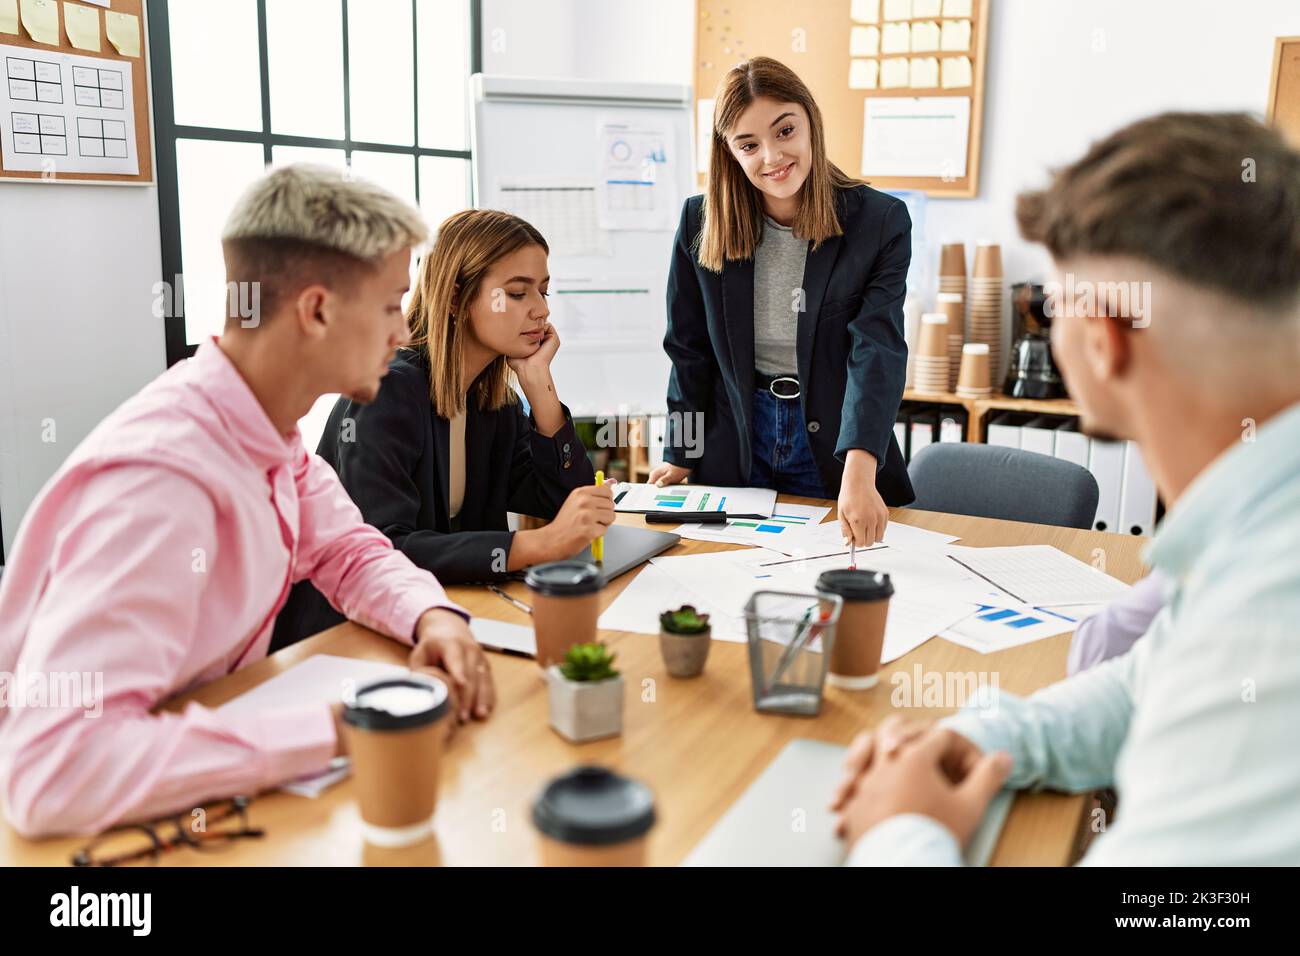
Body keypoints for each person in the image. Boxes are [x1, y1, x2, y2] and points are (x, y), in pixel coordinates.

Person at [831, 112, 1300, 865]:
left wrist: (896, 831)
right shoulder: (1256, 523)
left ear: (1104, 338)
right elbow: (1141, 688)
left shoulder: (1270, 623)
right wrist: (971, 737)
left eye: (1051, 308)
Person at [0, 165, 495, 838]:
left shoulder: (269, 428)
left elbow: (348, 551)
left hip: (180, 777)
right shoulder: (163, 476)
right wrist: (340, 730)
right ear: (316, 310)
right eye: (389, 305)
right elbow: (53, 774)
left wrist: (432, 616)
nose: (402, 335)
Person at [273, 209, 610, 646]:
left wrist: (540, 388)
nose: (542, 310)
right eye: (517, 293)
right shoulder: (385, 393)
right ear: (455, 297)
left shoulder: (496, 403)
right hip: (346, 632)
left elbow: (565, 502)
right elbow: (385, 549)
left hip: (444, 612)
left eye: (543, 291)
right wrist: (534, 547)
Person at [650, 56, 913, 548]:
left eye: (784, 130)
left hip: (836, 449)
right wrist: (681, 451)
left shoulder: (879, 222)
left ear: (810, 120)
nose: (771, 157)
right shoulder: (698, 221)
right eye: (748, 145)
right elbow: (688, 350)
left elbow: (876, 349)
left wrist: (861, 466)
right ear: (729, 152)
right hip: (735, 445)